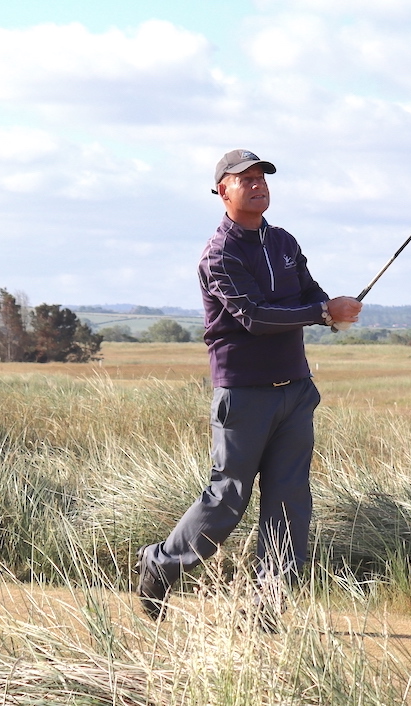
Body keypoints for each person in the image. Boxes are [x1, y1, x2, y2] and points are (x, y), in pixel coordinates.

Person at [135, 149, 362, 622]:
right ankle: (161, 562)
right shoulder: (219, 254)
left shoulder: (282, 241)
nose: (258, 185)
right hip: (243, 394)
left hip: (295, 391)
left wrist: (330, 307)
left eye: (262, 178)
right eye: (246, 179)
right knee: (227, 500)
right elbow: (253, 317)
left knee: (290, 499)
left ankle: (266, 607)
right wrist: (322, 314)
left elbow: (308, 292)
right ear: (223, 190)